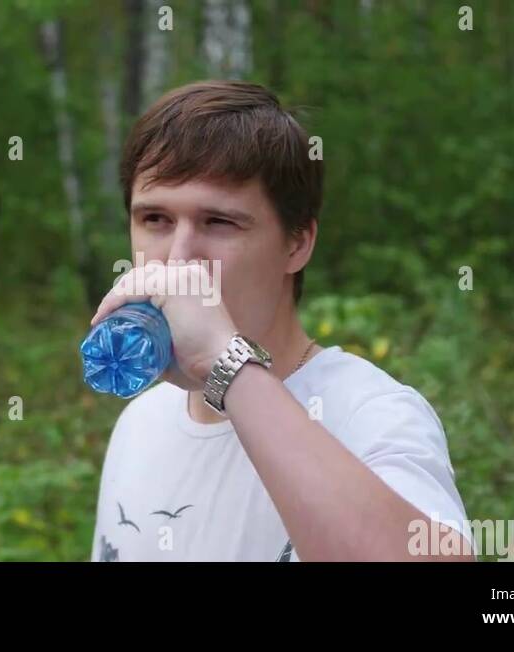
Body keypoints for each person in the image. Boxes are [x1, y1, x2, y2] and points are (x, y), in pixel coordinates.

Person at [89, 80, 474, 562]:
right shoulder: (141, 421)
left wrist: (225, 367)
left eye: (219, 223)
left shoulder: (370, 413)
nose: (179, 260)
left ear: (297, 244)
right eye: (155, 220)